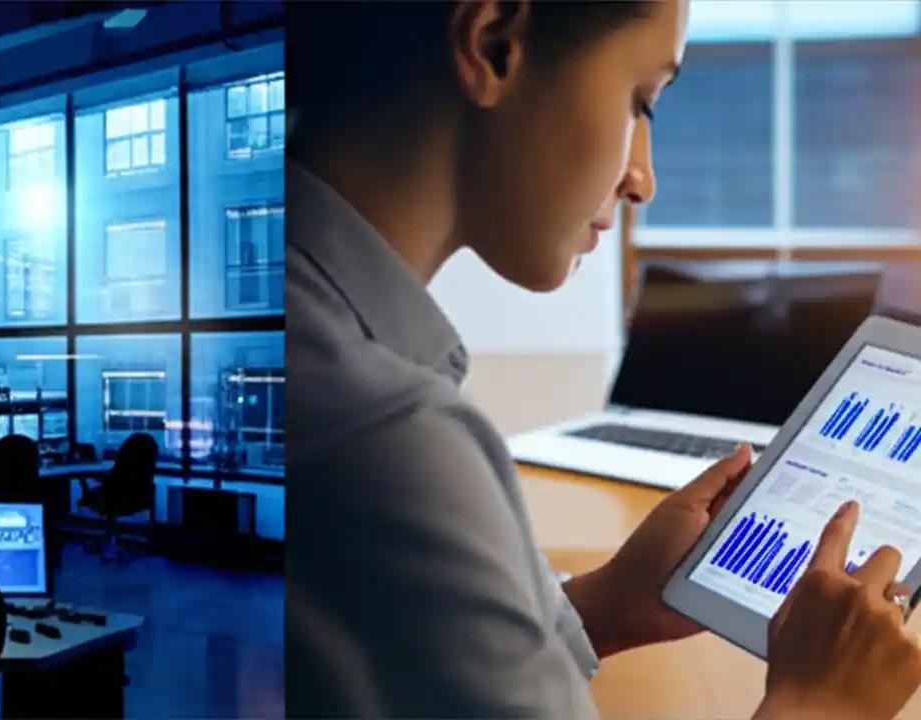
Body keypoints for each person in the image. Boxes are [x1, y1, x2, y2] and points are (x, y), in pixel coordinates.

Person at [284, 2, 921, 718]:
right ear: (493, 45)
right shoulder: (386, 437)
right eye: (639, 100)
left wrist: (602, 607)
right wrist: (823, 701)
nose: (642, 179)